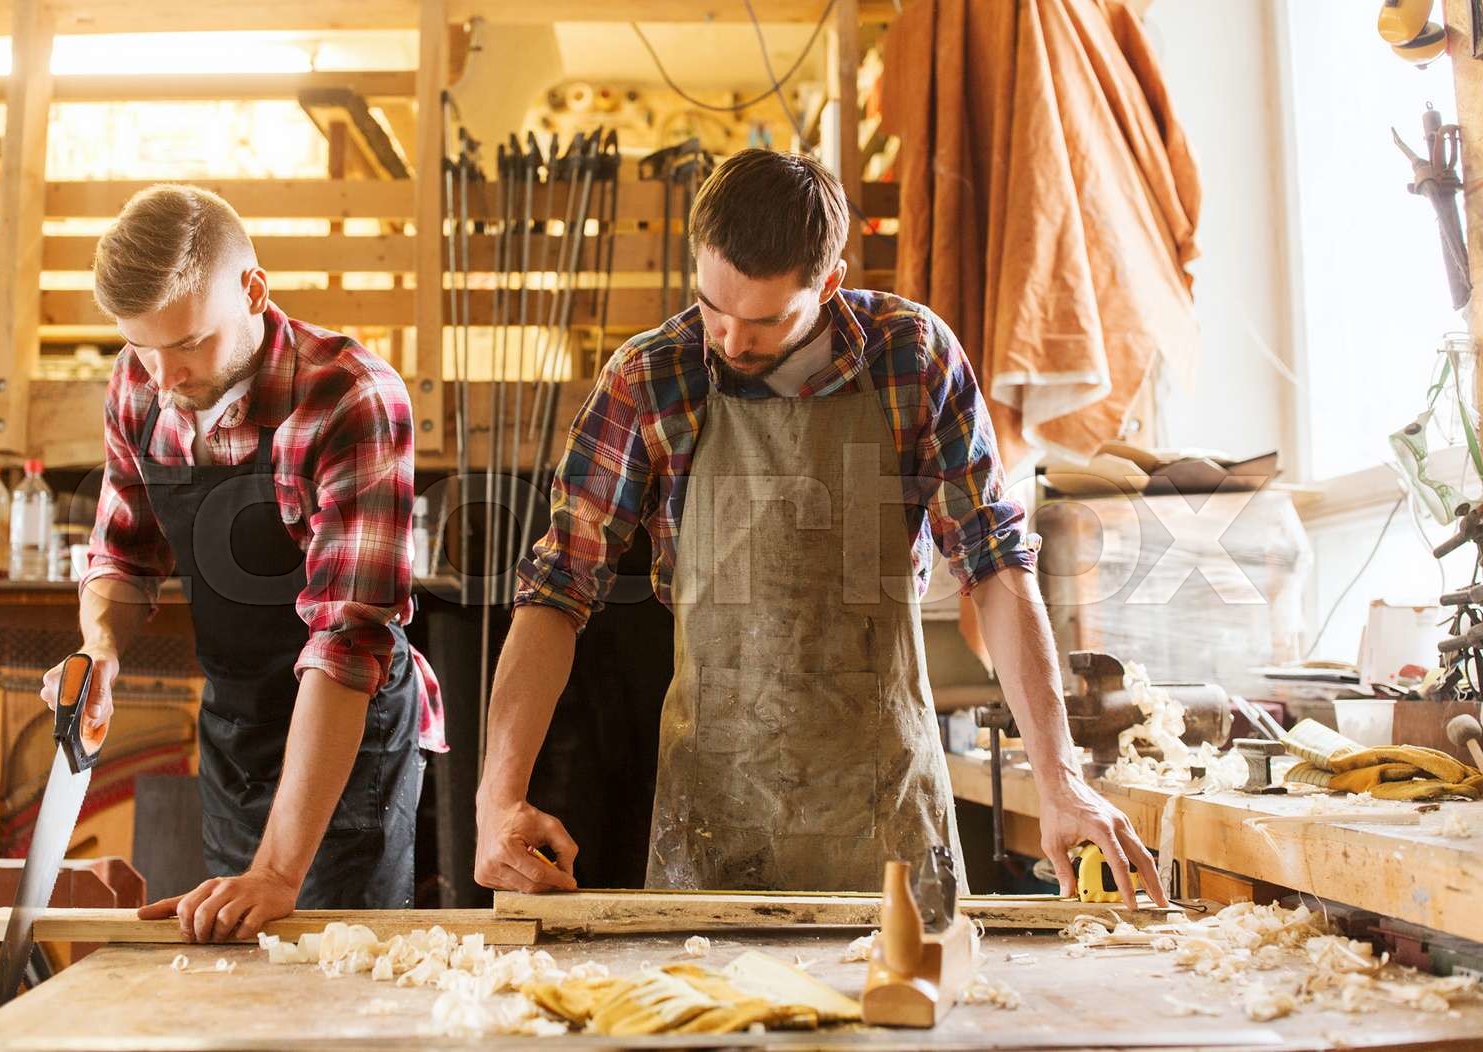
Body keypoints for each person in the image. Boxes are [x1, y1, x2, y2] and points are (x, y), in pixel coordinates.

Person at [472, 149, 1166, 902]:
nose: (731, 342)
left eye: (765, 319)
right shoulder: (652, 375)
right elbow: (556, 591)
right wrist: (496, 797)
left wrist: (1062, 784)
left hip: (885, 801)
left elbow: (996, 565)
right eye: (712, 306)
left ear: (829, 284)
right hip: (716, 811)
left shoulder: (912, 356)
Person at [40, 185, 445, 942]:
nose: (164, 378)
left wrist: (278, 871)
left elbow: (346, 641)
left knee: (335, 974)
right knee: (236, 963)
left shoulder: (351, 398)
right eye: (141, 346)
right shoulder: (142, 380)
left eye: (190, 343)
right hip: (235, 725)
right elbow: (123, 554)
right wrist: (101, 650)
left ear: (254, 292)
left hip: (345, 732)